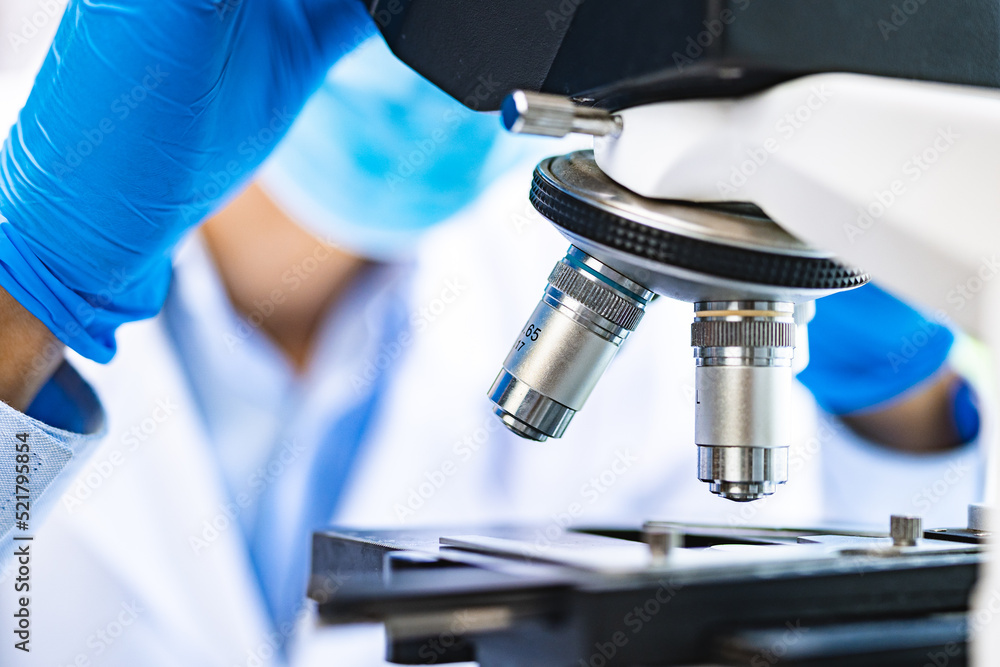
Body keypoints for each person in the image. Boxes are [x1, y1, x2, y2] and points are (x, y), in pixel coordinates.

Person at [0, 4, 984, 666]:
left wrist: (892, 381)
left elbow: (852, 608)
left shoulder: (626, 318)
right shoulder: (68, 178)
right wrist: (32, 286)